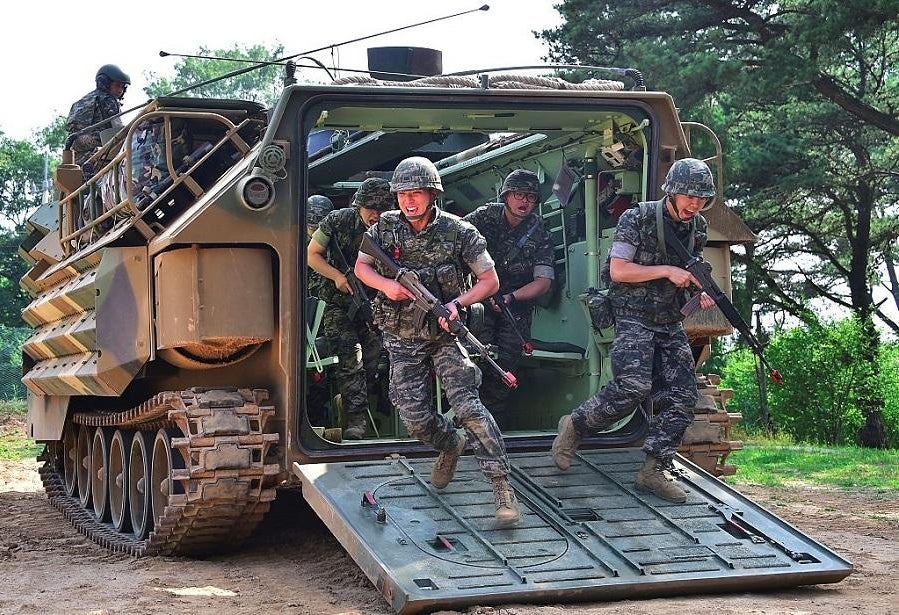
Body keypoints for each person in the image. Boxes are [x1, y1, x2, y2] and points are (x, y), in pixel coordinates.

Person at [354, 157, 520, 525]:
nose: (408, 201)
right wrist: (388, 286)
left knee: (469, 408)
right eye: (402, 194)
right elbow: (361, 266)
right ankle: (450, 444)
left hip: (445, 336)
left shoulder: (459, 232)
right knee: (415, 419)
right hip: (401, 336)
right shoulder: (385, 228)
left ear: (433, 195)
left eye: (417, 194)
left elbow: (489, 282)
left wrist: (457, 304)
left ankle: (501, 485)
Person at [551, 158, 718, 503]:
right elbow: (619, 271)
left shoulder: (697, 228)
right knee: (634, 386)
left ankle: (653, 469)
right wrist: (667, 271)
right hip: (633, 315)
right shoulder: (638, 218)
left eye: (701, 199)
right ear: (672, 191)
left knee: (685, 397)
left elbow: (687, 272)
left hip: (668, 320)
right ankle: (576, 425)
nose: (694, 205)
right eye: (689, 196)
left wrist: (697, 292)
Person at [307, 179, 395, 439]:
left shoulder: (390, 228)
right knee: (351, 358)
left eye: (381, 209)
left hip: (373, 303)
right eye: (370, 209)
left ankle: (348, 403)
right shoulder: (337, 221)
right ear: (359, 205)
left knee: (372, 359)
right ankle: (357, 422)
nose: (375, 215)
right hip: (337, 303)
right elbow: (312, 254)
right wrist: (336, 276)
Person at [463, 169, 554, 417]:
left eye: (530, 197)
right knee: (469, 360)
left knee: (505, 369)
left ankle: (492, 424)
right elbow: (455, 245)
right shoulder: (483, 217)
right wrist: (480, 287)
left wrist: (510, 297)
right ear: (506, 196)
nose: (524, 201)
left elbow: (543, 282)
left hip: (513, 308)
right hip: (476, 301)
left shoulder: (539, 232)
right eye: (518, 195)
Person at [65, 64, 130, 165]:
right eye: (117, 85)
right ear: (106, 83)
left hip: (76, 158)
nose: (120, 90)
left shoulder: (80, 102)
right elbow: (119, 130)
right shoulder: (108, 100)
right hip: (98, 155)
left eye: (123, 87)